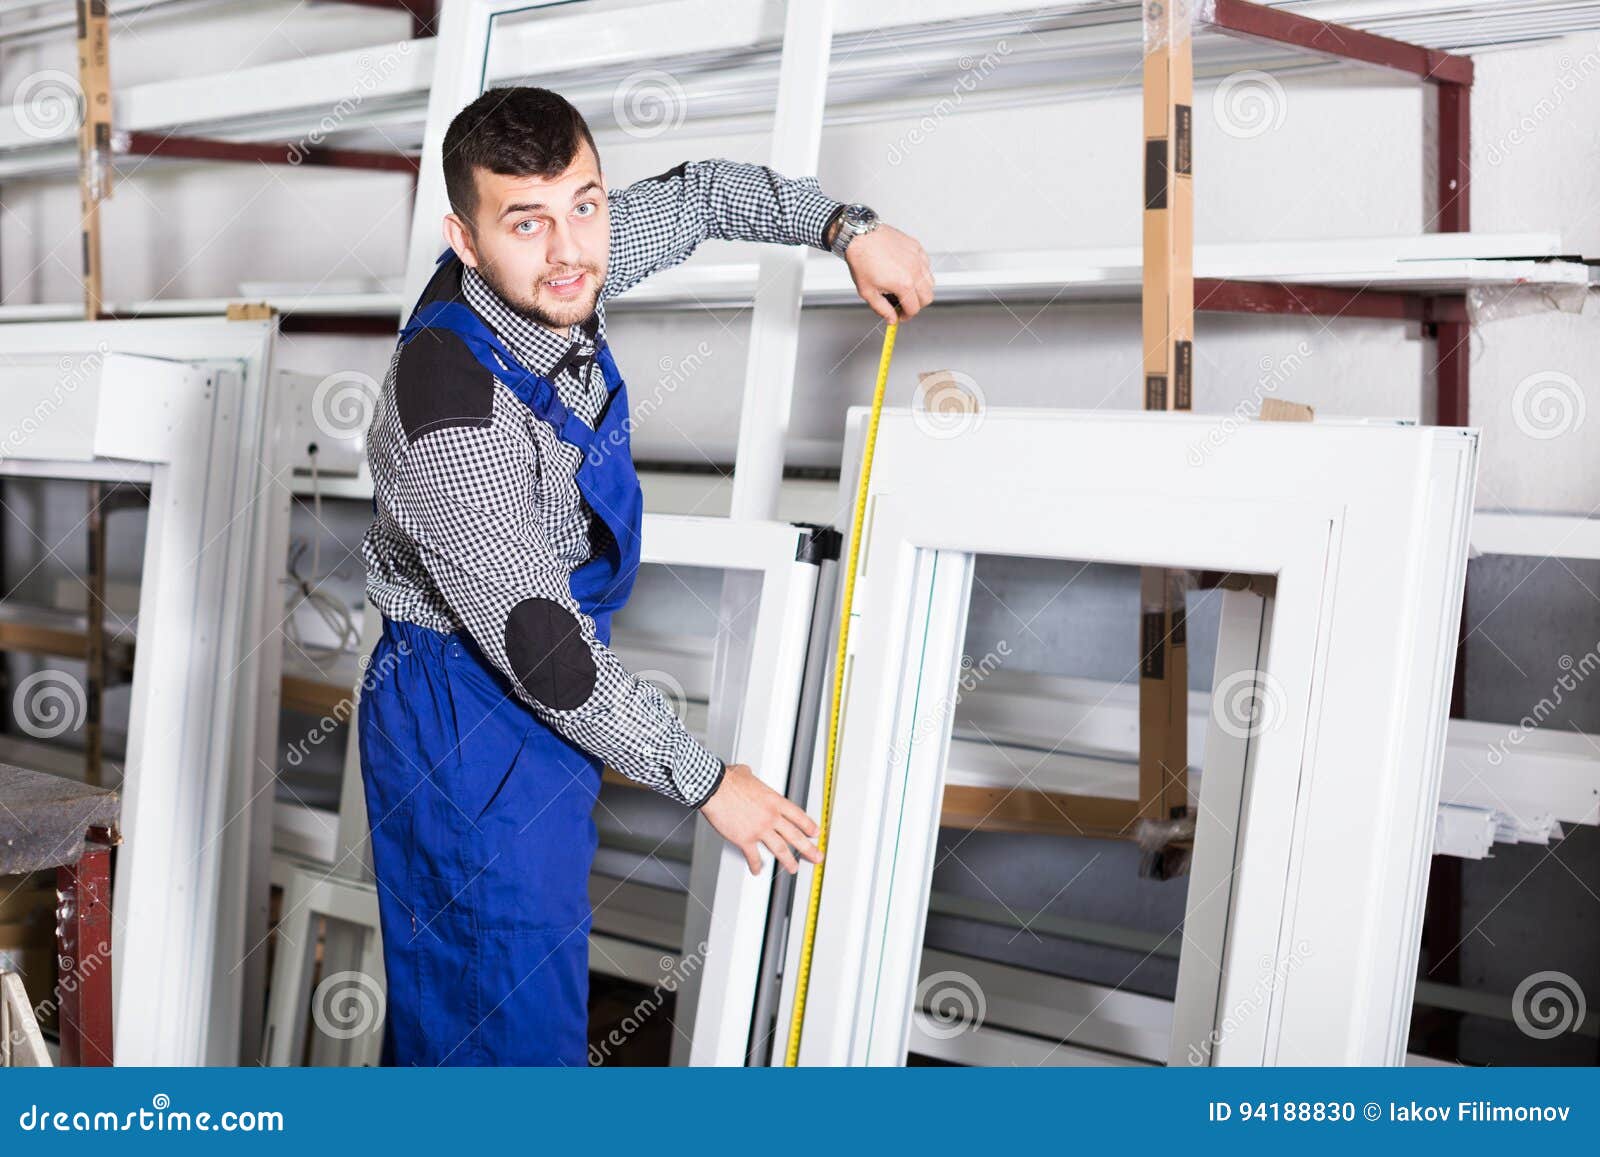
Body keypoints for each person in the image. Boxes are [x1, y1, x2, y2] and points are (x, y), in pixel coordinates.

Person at [356, 86, 934, 1066]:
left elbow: (704, 195)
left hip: (527, 697)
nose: (570, 247)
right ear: (464, 236)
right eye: (527, 222)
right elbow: (546, 653)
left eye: (584, 203)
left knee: (481, 1015)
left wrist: (848, 229)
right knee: (502, 1036)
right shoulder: (452, 405)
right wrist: (710, 783)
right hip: (462, 712)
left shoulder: (570, 261)